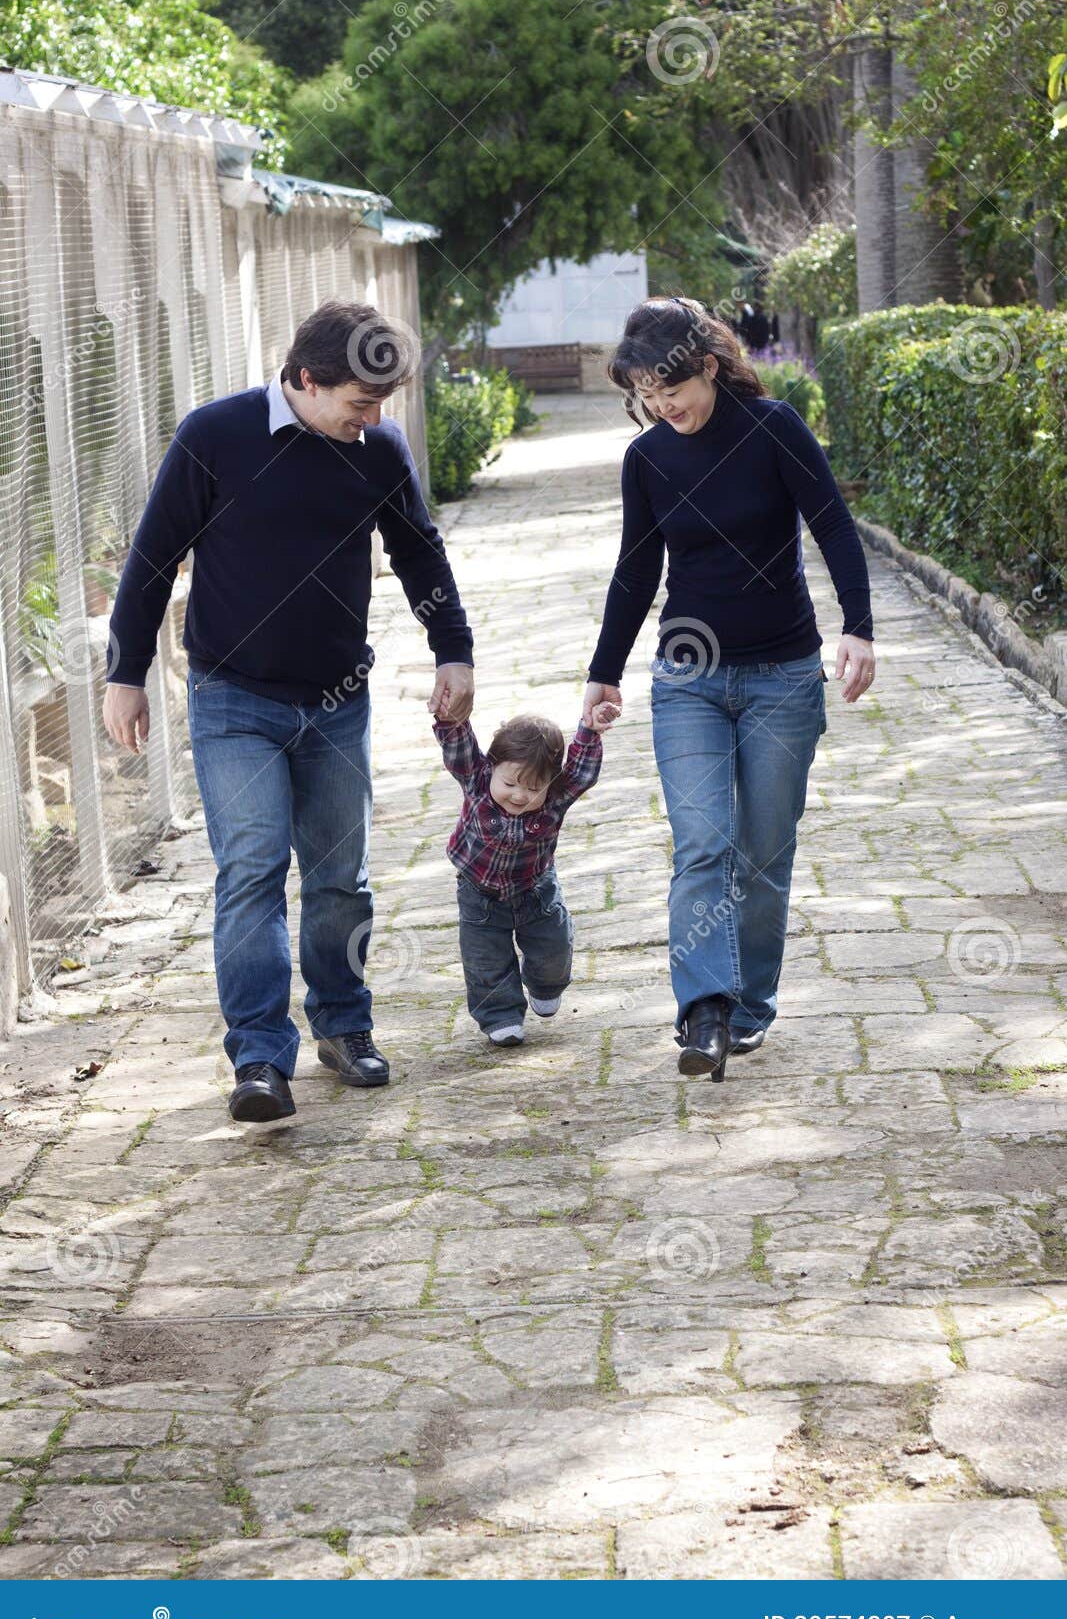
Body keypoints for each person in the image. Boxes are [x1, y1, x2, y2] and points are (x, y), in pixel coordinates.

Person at [103, 300, 474, 1124]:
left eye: (380, 406)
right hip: (233, 698)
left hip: (338, 702)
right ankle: (261, 1059)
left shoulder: (377, 449)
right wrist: (125, 670)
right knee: (253, 871)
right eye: (358, 403)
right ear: (306, 381)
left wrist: (454, 646)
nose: (371, 420)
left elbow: (418, 550)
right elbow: (153, 557)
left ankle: (343, 1028)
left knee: (342, 880)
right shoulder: (215, 436)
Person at [583, 295, 875, 1081]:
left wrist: (858, 626)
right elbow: (636, 571)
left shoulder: (772, 429)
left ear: (709, 366)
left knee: (762, 852)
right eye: (645, 393)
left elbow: (832, 525)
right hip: (688, 682)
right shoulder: (647, 459)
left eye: (669, 387)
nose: (659, 404)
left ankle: (748, 1008)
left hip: (782, 675)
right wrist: (603, 672)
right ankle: (703, 1011)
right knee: (702, 842)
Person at [434, 704, 618, 1045]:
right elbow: (458, 750)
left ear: (550, 783)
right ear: (492, 767)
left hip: (536, 890)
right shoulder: (477, 780)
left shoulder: (555, 798)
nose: (520, 795)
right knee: (485, 961)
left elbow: (581, 773)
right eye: (510, 783)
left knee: (554, 950)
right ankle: (500, 1014)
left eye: (533, 789)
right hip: (479, 893)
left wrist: (590, 732)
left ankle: (545, 985)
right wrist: (450, 717)